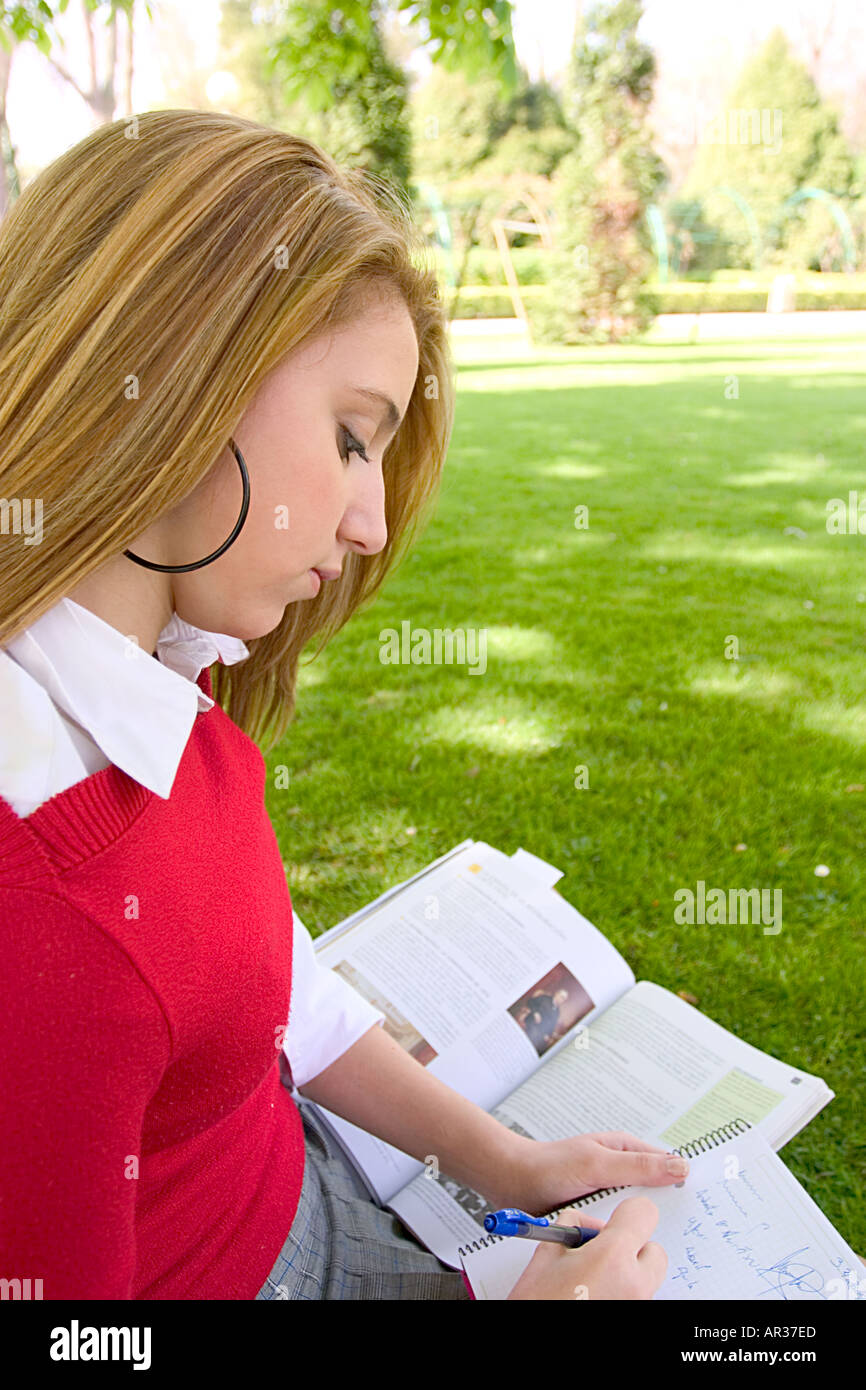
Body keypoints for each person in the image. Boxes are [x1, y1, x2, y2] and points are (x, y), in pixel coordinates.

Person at [0, 109, 683, 1301]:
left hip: (297, 1186)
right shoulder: (43, 906)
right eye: (354, 435)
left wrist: (503, 1159)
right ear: (179, 366)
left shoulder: (151, 673)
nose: (369, 527)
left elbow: (267, 988)